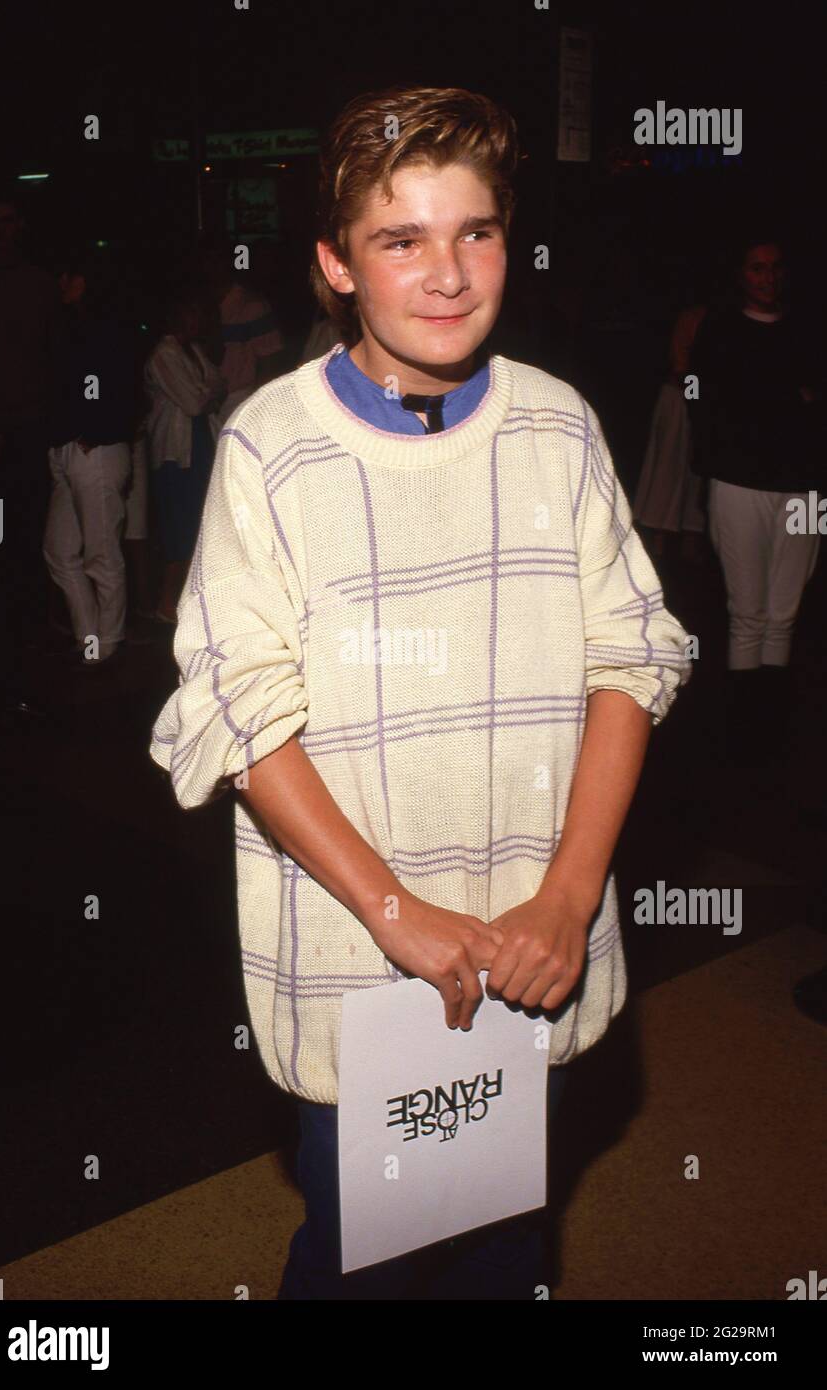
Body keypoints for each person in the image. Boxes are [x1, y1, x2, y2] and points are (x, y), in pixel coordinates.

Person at [149, 84, 692, 1299]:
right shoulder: (268, 449)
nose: (445, 273)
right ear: (335, 264)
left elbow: (628, 656)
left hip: (532, 953)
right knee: (362, 1254)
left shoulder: (557, 427)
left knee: (505, 1244)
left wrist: (565, 897)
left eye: (475, 232)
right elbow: (243, 714)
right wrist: (397, 917)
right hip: (362, 965)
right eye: (402, 239)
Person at [689, 236, 824, 757]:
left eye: (775, 269)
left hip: (803, 488)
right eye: (757, 268)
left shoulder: (806, 329)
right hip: (738, 482)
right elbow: (702, 398)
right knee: (747, 610)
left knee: (785, 610)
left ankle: (773, 724)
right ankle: (744, 729)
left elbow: (812, 401)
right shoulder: (721, 329)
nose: (768, 278)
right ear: (741, 274)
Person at [0, 191, 64, 720]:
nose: (2, 230)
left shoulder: (39, 286)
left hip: (25, 445)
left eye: (9, 219)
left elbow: (54, 361)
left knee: (23, 558)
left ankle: (16, 678)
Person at [43, 254, 140, 670]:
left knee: (101, 555)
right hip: (69, 448)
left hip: (95, 450)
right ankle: (91, 640)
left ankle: (108, 643)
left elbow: (120, 388)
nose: (62, 281)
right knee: (59, 551)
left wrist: (93, 429)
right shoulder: (68, 324)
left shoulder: (107, 326)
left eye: (70, 274)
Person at [143, 286, 227, 623]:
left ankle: (185, 602)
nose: (198, 321)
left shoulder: (191, 349)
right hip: (175, 454)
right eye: (192, 314)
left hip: (200, 447)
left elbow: (219, 386)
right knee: (178, 529)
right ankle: (165, 603)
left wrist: (206, 393)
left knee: (197, 527)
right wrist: (207, 393)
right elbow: (195, 402)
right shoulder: (164, 353)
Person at [634, 303, 708, 561]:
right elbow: (680, 365)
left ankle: (691, 535)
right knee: (667, 467)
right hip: (679, 398)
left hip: (705, 403)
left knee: (696, 471)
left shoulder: (721, 317)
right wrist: (694, 399)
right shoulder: (689, 317)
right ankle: (658, 537)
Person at [198, 237, 287, 422]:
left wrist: (261, 406)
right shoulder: (197, 306)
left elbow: (270, 360)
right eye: (207, 260)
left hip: (240, 399)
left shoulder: (251, 306)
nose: (212, 267)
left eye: (218, 260)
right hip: (204, 400)